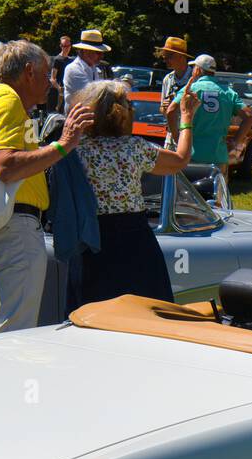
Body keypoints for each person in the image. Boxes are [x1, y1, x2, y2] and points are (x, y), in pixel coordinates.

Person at [0, 41, 92, 339]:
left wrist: (51, 147)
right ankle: (1, 384)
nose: (51, 83)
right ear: (29, 72)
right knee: (12, 330)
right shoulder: (8, 100)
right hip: (11, 226)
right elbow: (6, 165)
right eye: (46, 75)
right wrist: (64, 144)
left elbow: (16, 156)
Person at [72, 81, 199, 305]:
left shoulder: (77, 149)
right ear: (120, 113)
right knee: (146, 308)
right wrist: (187, 117)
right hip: (134, 238)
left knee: (92, 311)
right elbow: (180, 160)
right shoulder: (134, 147)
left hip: (90, 238)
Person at [171, 54, 252, 196]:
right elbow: (249, 117)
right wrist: (235, 141)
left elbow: (170, 110)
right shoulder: (227, 92)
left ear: (198, 70)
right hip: (217, 155)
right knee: (217, 201)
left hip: (191, 154)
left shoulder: (191, 89)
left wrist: (177, 137)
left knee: (187, 201)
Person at [63, 30, 110, 113]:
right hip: (77, 123)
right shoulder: (73, 69)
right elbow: (92, 97)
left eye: (102, 53)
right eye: (98, 53)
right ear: (85, 51)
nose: (101, 56)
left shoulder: (93, 68)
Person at [48, 35, 73, 114]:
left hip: (69, 92)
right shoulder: (57, 60)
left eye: (68, 46)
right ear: (60, 46)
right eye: (64, 46)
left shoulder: (70, 60)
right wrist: (59, 89)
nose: (66, 48)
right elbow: (52, 78)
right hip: (60, 94)